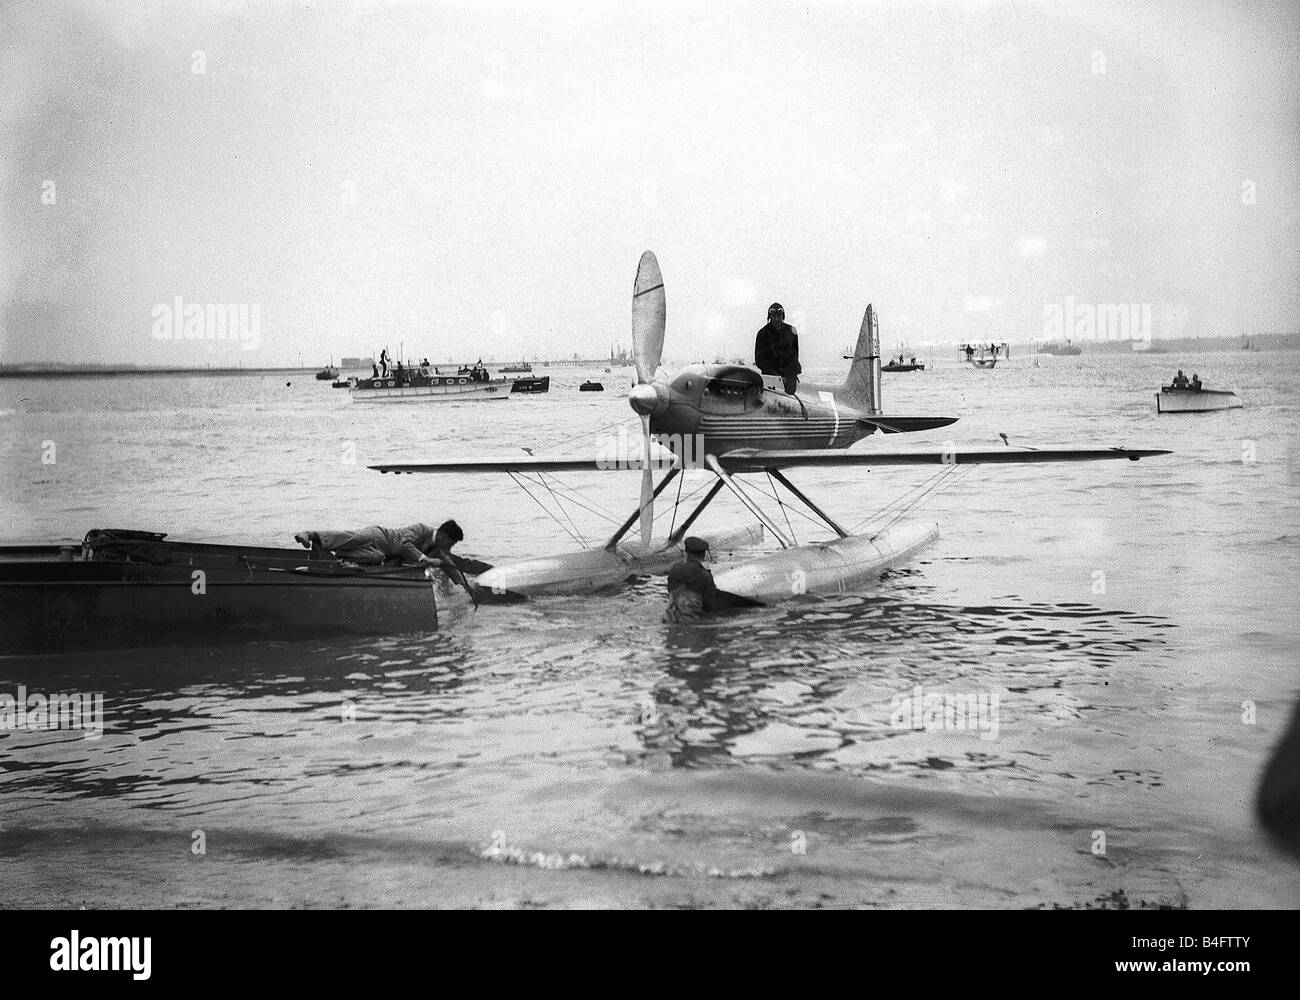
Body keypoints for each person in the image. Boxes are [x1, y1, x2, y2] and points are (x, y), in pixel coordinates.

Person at [295, 521, 475, 600]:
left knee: (369, 558)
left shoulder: (438, 551)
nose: (450, 548)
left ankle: (325, 549)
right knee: (351, 537)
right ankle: (311, 535)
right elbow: (405, 545)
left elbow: (451, 568)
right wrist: (424, 558)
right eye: (450, 543)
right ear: (443, 535)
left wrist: (468, 589)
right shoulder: (422, 529)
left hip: (380, 554)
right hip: (379, 537)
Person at [663, 536, 718, 623]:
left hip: (670, 619)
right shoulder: (706, 576)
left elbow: (670, 592)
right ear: (704, 555)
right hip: (694, 622)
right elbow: (708, 605)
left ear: (686, 553)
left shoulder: (674, 570)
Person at [754, 303, 801, 394]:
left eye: (779, 316)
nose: (776, 319)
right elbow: (759, 360)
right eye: (773, 316)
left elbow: (795, 356)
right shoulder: (762, 334)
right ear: (769, 317)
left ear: (782, 316)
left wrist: (788, 375)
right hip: (770, 376)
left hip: (789, 376)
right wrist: (777, 378)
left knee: (789, 399)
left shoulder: (792, 331)